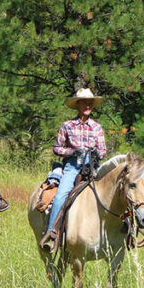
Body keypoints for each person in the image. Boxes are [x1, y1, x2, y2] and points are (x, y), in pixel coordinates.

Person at [39, 88, 107, 252]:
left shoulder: (97, 127)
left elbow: (103, 151)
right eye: (84, 102)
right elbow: (57, 148)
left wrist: (97, 153)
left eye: (90, 103)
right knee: (61, 195)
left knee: (113, 191)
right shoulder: (67, 126)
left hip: (93, 166)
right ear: (78, 104)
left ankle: (125, 231)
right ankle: (52, 233)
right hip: (72, 166)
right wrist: (71, 152)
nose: (88, 105)